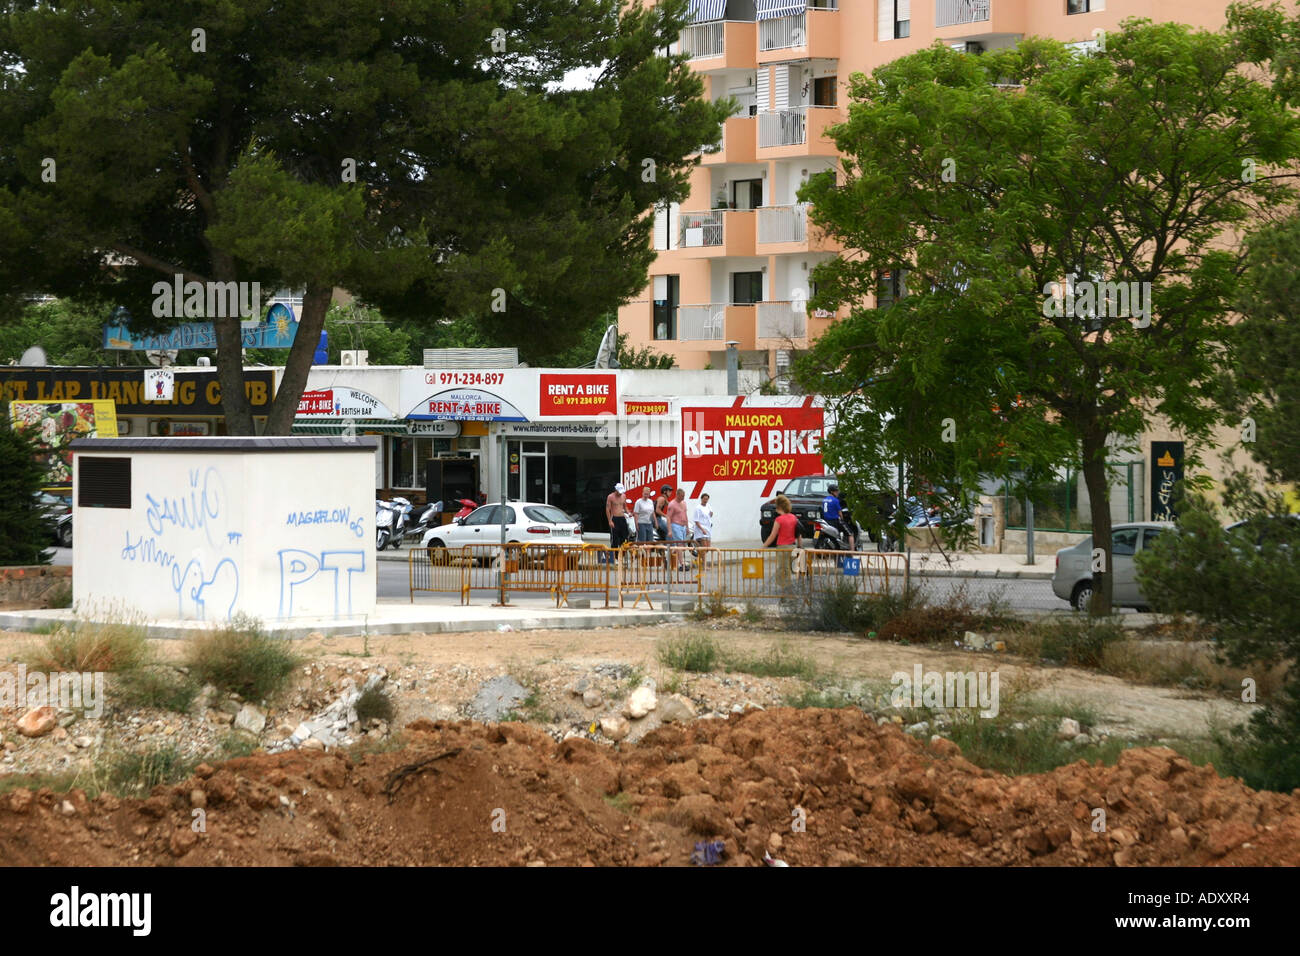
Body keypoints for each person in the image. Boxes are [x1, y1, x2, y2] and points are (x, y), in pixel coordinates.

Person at [763, 494, 799, 587]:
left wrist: (764, 546)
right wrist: (800, 546)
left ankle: (785, 588)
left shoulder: (779, 519)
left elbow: (772, 535)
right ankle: (788, 586)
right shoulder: (793, 517)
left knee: (783, 568)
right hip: (792, 546)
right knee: (789, 568)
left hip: (782, 547)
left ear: (779, 507)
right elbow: (799, 533)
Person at [666, 487, 690, 571]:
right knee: (680, 544)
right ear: (677, 495)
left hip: (683, 526)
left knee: (682, 546)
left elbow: (685, 515)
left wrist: (687, 527)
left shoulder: (684, 503)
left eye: (684, 496)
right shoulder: (672, 504)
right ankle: (681, 563)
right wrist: (669, 530)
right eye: (682, 496)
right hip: (675, 525)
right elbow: (668, 517)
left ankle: (668, 557)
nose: (683, 498)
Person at [822, 483, 852, 548]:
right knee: (850, 534)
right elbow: (840, 513)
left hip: (826, 521)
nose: (838, 492)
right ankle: (852, 552)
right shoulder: (835, 500)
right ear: (832, 492)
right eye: (836, 491)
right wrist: (842, 519)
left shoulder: (824, 500)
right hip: (835, 521)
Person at [606, 482, 631, 551]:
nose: (620, 493)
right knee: (615, 539)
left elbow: (625, 506)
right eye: (619, 492)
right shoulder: (610, 497)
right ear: (616, 490)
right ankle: (614, 555)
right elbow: (608, 509)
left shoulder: (623, 496)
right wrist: (610, 521)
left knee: (624, 537)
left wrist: (628, 513)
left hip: (622, 518)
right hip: (614, 518)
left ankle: (622, 554)